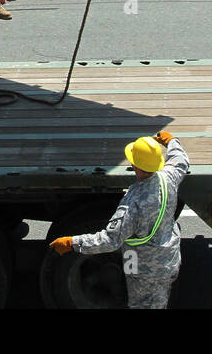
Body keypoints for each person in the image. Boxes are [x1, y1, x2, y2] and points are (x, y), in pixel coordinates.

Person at [49, 131, 190, 308]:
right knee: (159, 300)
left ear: (134, 164)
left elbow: (110, 240)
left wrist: (72, 243)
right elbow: (181, 159)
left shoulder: (133, 203)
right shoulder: (168, 178)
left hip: (145, 269)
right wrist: (172, 141)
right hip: (169, 260)